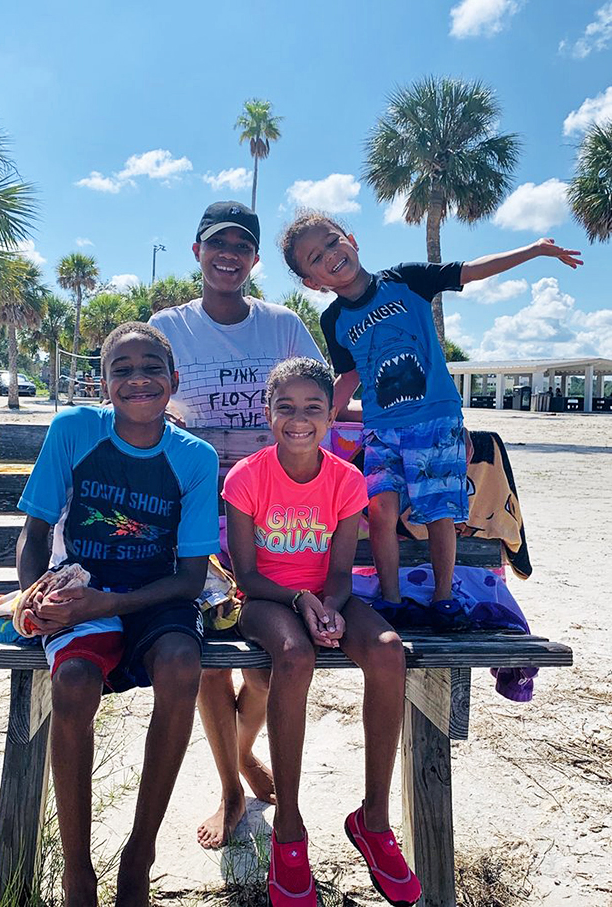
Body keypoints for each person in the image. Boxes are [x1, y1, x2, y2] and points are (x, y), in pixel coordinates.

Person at [280, 212, 582, 610]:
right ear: (312, 282)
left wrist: (535, 250)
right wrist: (311, 416)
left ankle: (443, 599)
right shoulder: (334, 320)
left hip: (435, 422)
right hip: (381, 430)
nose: (331, 255)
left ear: (351, 238)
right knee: (381, 510)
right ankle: (391, 601)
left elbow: (469, 271)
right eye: (316, 258)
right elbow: (349, 378)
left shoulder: (406, 279)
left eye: (333, 241)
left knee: (439, 511)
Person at [16, 322, 219, 907]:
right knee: (74, 682)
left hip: (157, 598)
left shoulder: (193, 458)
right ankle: (77, 873)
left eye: (151, 366)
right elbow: (33, 534)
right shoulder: (75, 430)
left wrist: (116, 604)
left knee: (183, 664)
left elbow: (188, 576)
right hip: (85, 592)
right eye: (121, 369)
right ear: (103, 383)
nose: (138, 378)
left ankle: (140, 854)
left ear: (173, 380)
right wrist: (34, 598)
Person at [149, 201, 328, 849]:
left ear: (255, 261)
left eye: (241, 246)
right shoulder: (168, 325)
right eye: (216, 242)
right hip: (194, 514)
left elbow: (322, 397)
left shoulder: (283, 325)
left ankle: (244, 747)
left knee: (264, 670)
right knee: (205, 655)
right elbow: (141, 405)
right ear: (197, 252)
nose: (228, 253)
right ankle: (229, 786)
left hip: (273, 514)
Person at [225, 357, 418, 907]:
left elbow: (338, 574)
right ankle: (288, 828)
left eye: (314, 407)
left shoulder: (346, 479)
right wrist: (301, 601)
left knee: (386, 652)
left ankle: (373, 819)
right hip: (266, 600)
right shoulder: (248, 477)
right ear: (268, 412)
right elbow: (247, 575)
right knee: (292, 654)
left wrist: (329, 607)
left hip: (326, 596)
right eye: (286, 407)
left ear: (331, 415)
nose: (299, 419)